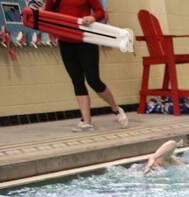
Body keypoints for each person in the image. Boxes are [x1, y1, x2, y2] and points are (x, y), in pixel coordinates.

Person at [42, 0, 129, 130]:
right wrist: (51, 32)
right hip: (65, 42)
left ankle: (116, 109)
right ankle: (87, 121)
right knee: (77, 81)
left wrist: (92, 17)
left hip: (86, 39)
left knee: (93, 80)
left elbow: (101, 12)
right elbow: (48, 14)